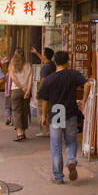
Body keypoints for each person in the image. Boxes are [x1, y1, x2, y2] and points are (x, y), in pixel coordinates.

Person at [38, 51, 90, 183]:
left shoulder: (50, 78)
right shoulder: (72, 74)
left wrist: (43, 116)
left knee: (56, 146)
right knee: (71, 141)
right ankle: (71, 159)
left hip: (56, 111)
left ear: (55, 62)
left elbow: (44, 99)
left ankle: (58, 176)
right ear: (68, 61)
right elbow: (87, 84)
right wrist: (84, 100)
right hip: (70, 111)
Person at [7, 49, 33, 141]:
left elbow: (13, 79)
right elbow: (30, 78)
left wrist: (21, 87)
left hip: (16, 90)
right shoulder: (28, 65)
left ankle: (19, 133)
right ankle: (24, 131)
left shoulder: (12, 66)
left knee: (17, 111)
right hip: (26, 91)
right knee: (25, 111)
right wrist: (27, 90)